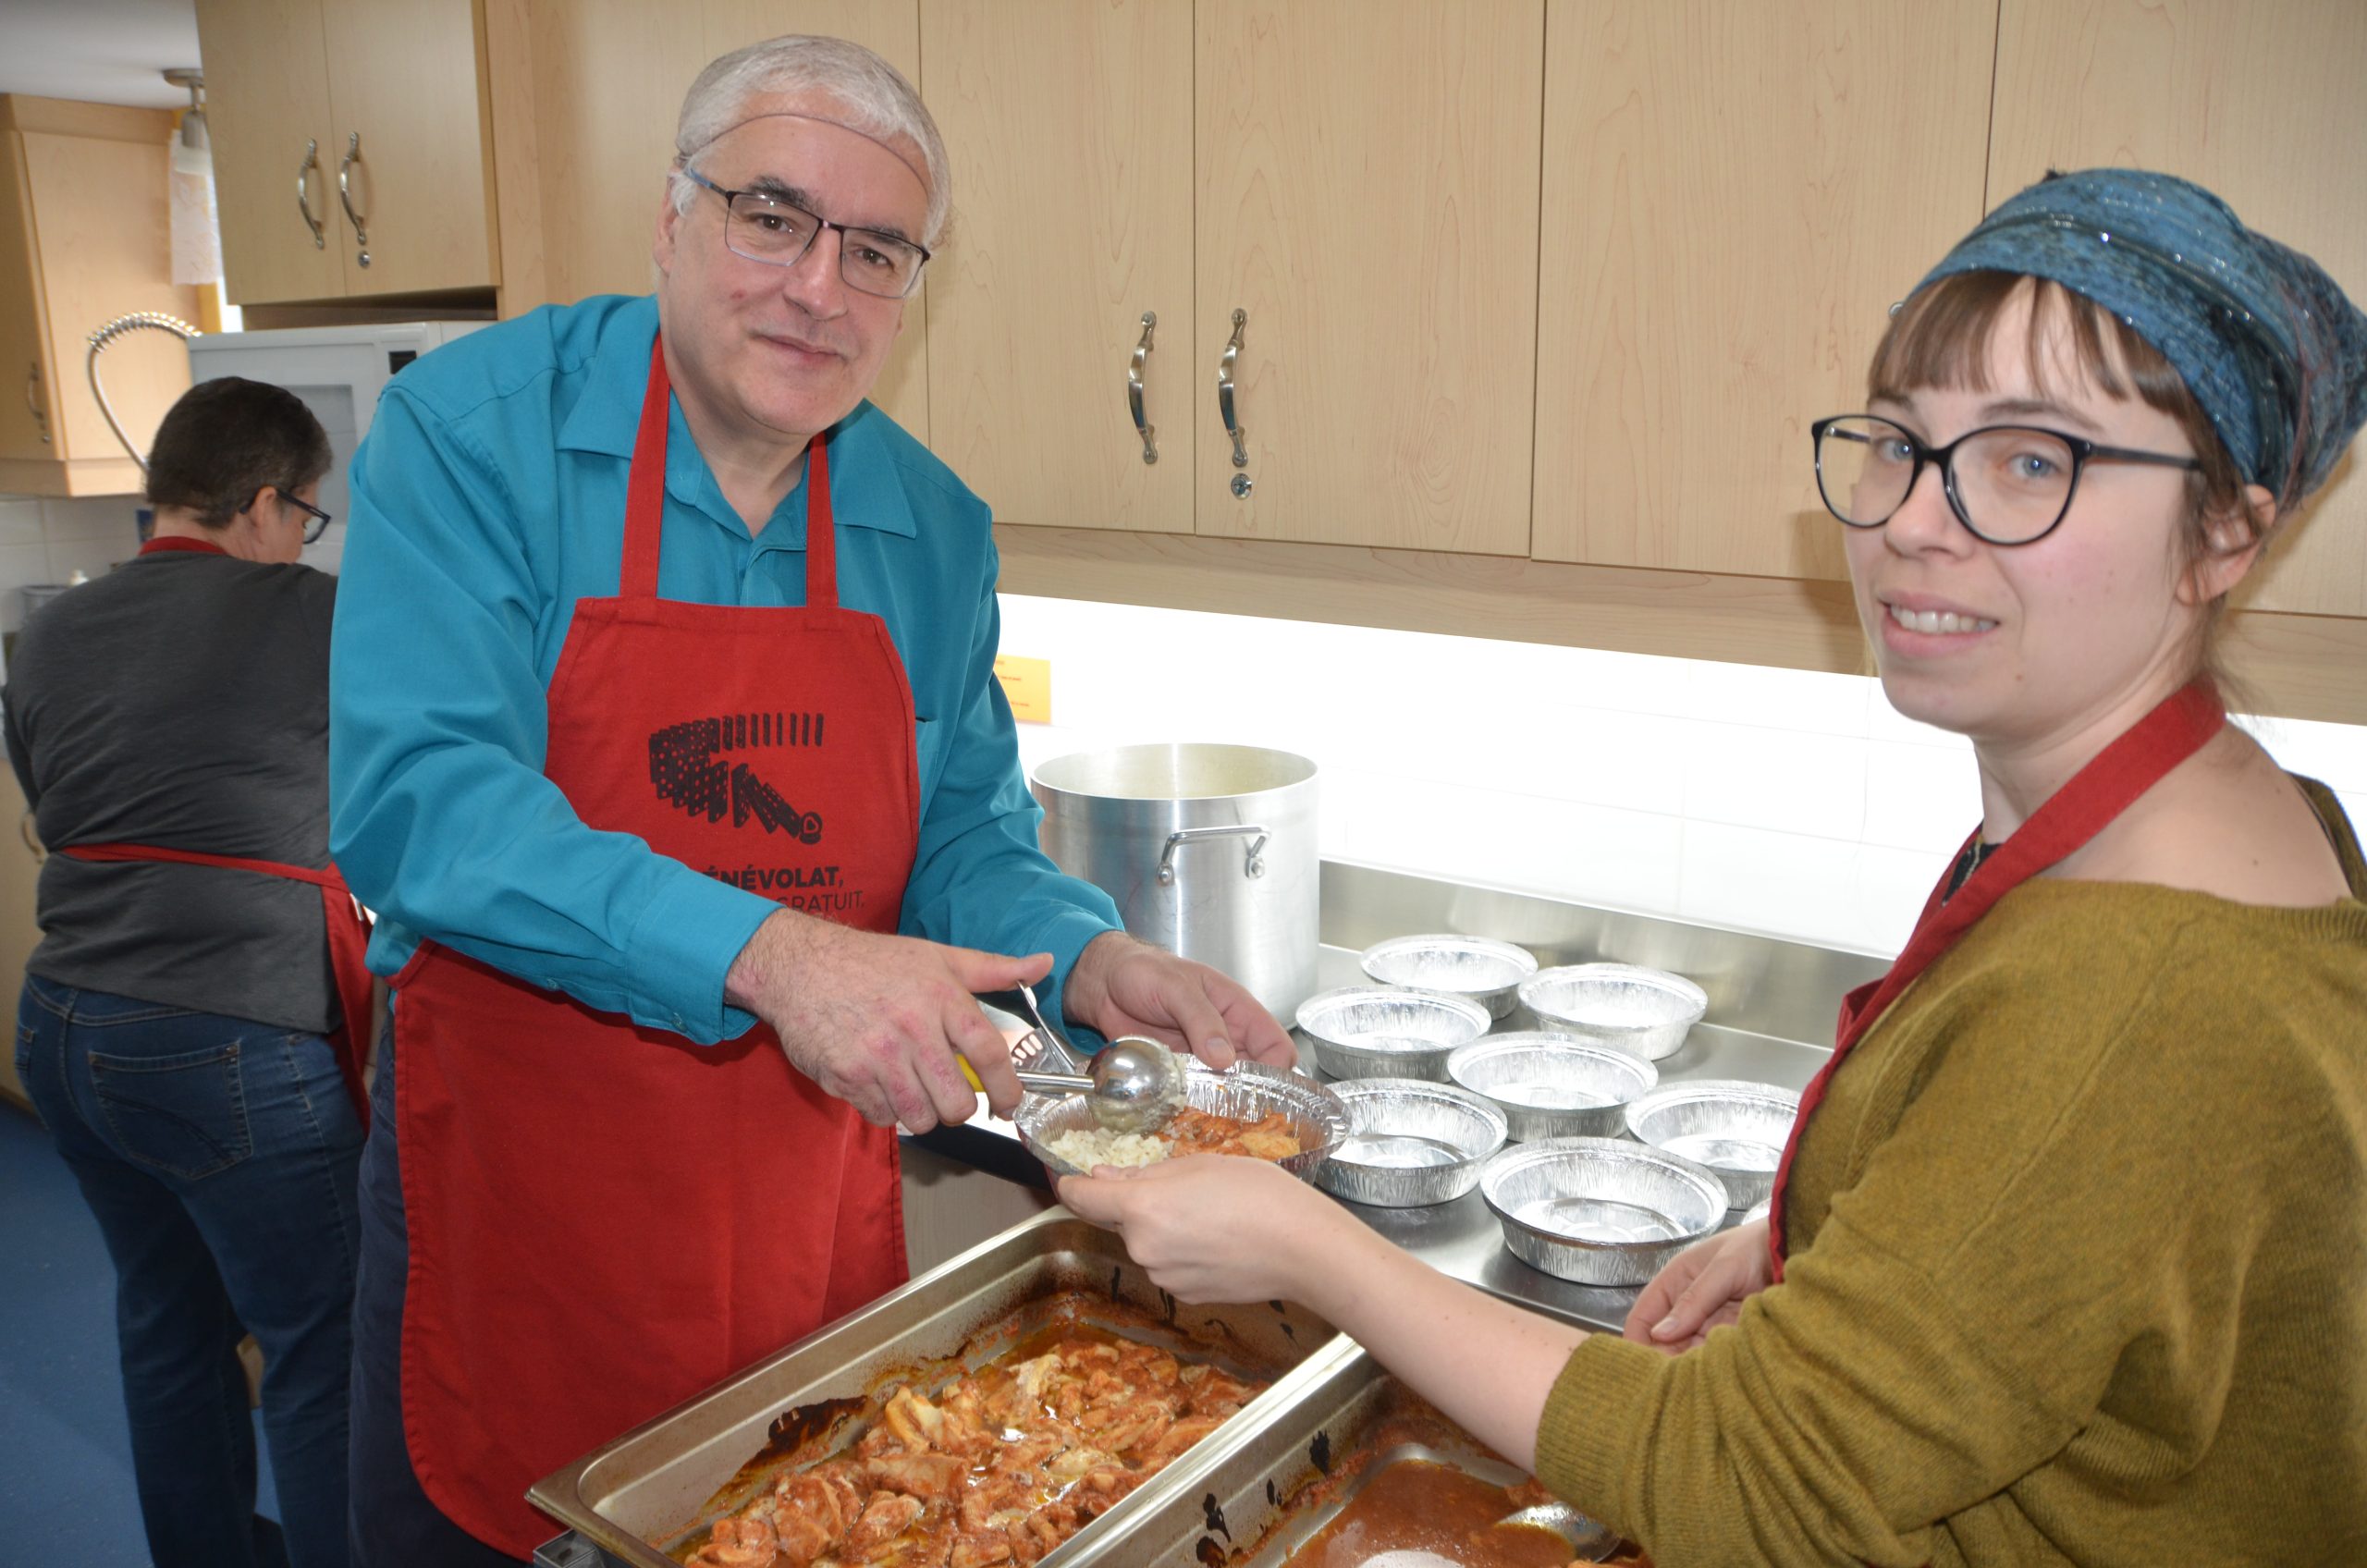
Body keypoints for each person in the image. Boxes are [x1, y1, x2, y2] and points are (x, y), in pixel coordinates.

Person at [1061, 166, 2367, 1565]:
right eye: (1904, 444)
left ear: (2226, 533)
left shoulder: (2135, 987)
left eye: (2030, 461)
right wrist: (1838, 1245)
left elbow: (1755, 1481)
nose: (1915, 521)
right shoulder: (2244, 816)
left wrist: (1309, 1246)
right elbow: (2100, 1252)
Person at [326, 34, 1294, 1562]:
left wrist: (1091, 960)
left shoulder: (929, 527)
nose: (818, 286)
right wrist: (777, 958)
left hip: (795, 1203)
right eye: (769, 217)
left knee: (812, 1512)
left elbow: (964, 835)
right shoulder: (473, 437)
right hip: (523, 1190)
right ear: (671, 219)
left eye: (877, 250)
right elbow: (421, 804)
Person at [6, 375, 365, 1568]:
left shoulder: (47, 629)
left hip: (63, 1026)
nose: (304, 539)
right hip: (233, 1046)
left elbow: (59, 811)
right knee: (324, 1353)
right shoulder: (308, 615)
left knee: (168, 1322)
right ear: (264, 504)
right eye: (308, 514)